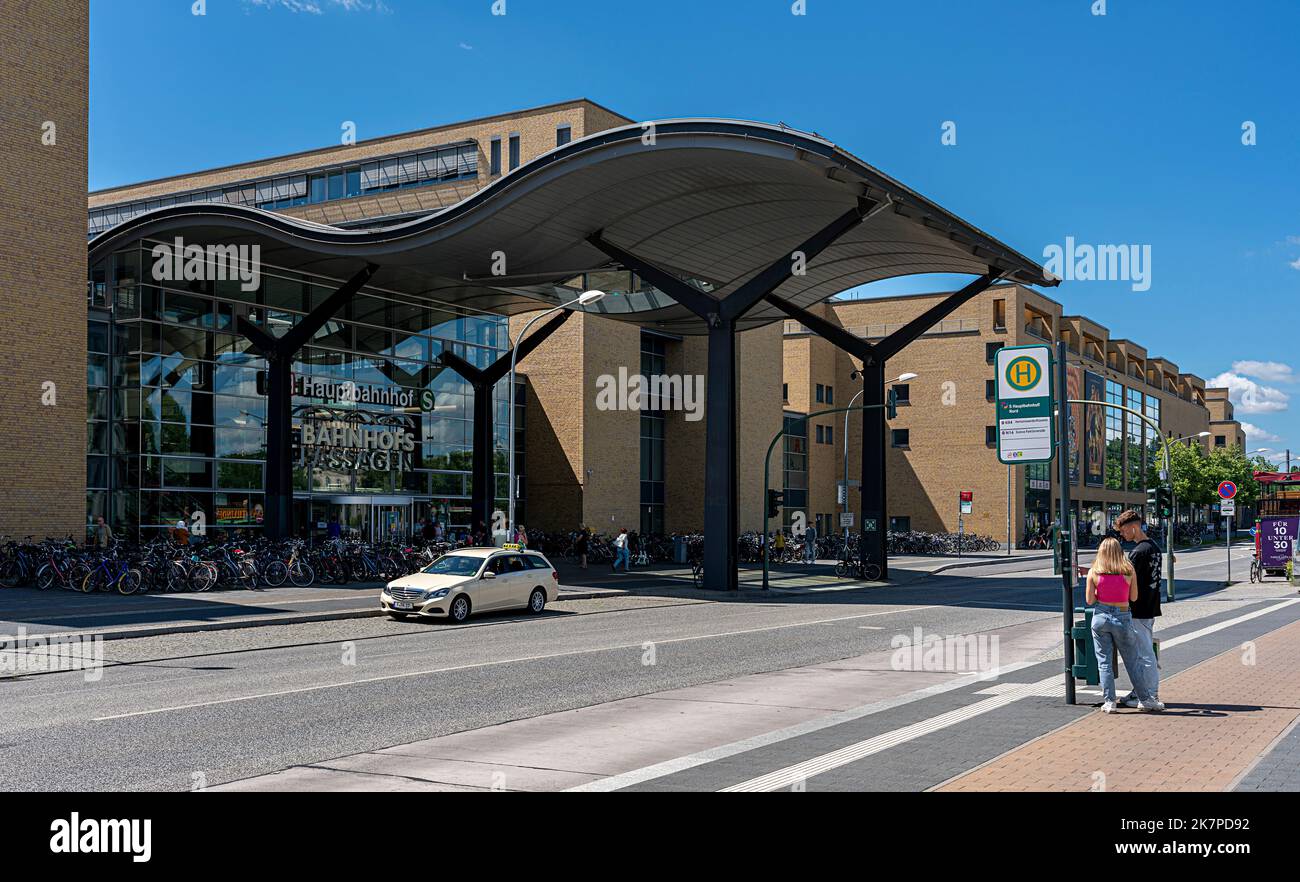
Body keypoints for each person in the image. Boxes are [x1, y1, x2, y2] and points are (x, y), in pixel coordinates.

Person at [1086, 537, 1161, 713]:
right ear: (1120, 552)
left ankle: (1110, 702)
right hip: (1122, 617)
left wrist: (1101, 593)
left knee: (1104, 662)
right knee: (1132, 661)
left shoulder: (1094, 572)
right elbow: (1133, 597)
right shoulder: (1129, 571)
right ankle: (1145, 699)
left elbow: (1090, 600)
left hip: (1101, 617)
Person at [1115, 509, 1165, 710]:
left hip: (1138, 608)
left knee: (1144, 654)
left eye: (1124, 531)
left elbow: (1126, 581)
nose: (1122, 535)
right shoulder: (1153, 547)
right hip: (1150, 606)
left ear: (1133, 527)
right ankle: (1139, 691)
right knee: (1142, 653)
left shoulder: (1138, 552)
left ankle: (1150, 695)